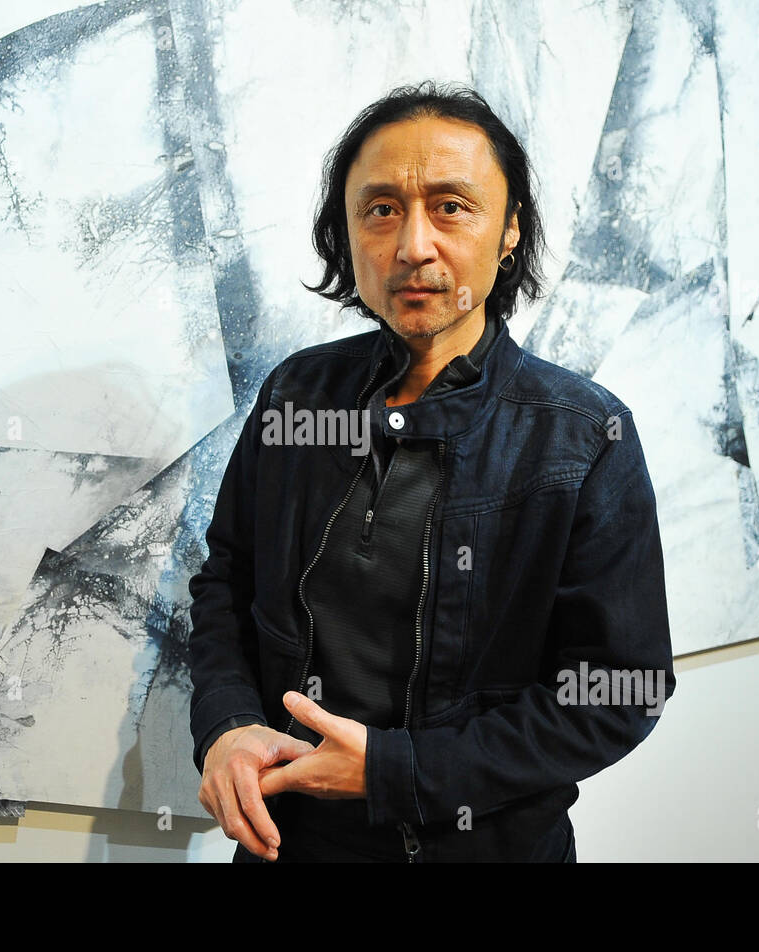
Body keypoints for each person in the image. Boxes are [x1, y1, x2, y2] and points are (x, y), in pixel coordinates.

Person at [188, 80, 675, 862]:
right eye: (381, 209)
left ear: (508, 230)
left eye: (451, 206)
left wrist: (398, 772)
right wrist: (224, 726)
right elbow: (226, 582)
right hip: (290, 844)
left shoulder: (583, 436)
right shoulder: (295, 395)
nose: (414, 244)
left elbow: (618, 693)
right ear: (346, 234)